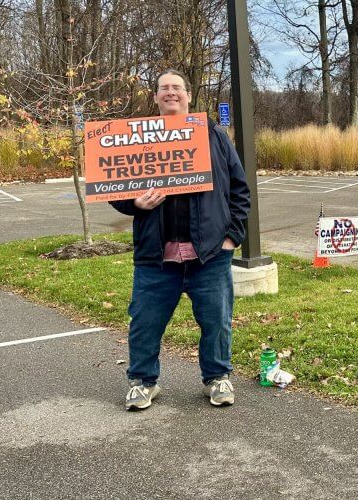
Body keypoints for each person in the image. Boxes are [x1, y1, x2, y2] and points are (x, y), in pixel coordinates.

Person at [110, 69, 250, 410]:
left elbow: (239, 191)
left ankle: (216, 378)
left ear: (188, 95)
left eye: (176, 87)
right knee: (144, 322)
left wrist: (232, 238)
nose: (170, 92)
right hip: (156, 256)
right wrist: (135, 203)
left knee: (216, 321)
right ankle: (143, 381)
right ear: (156, 97)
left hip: (209, 254)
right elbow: (113, 184)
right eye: (163, 88)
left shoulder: (213, 135)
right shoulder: (137, 137)